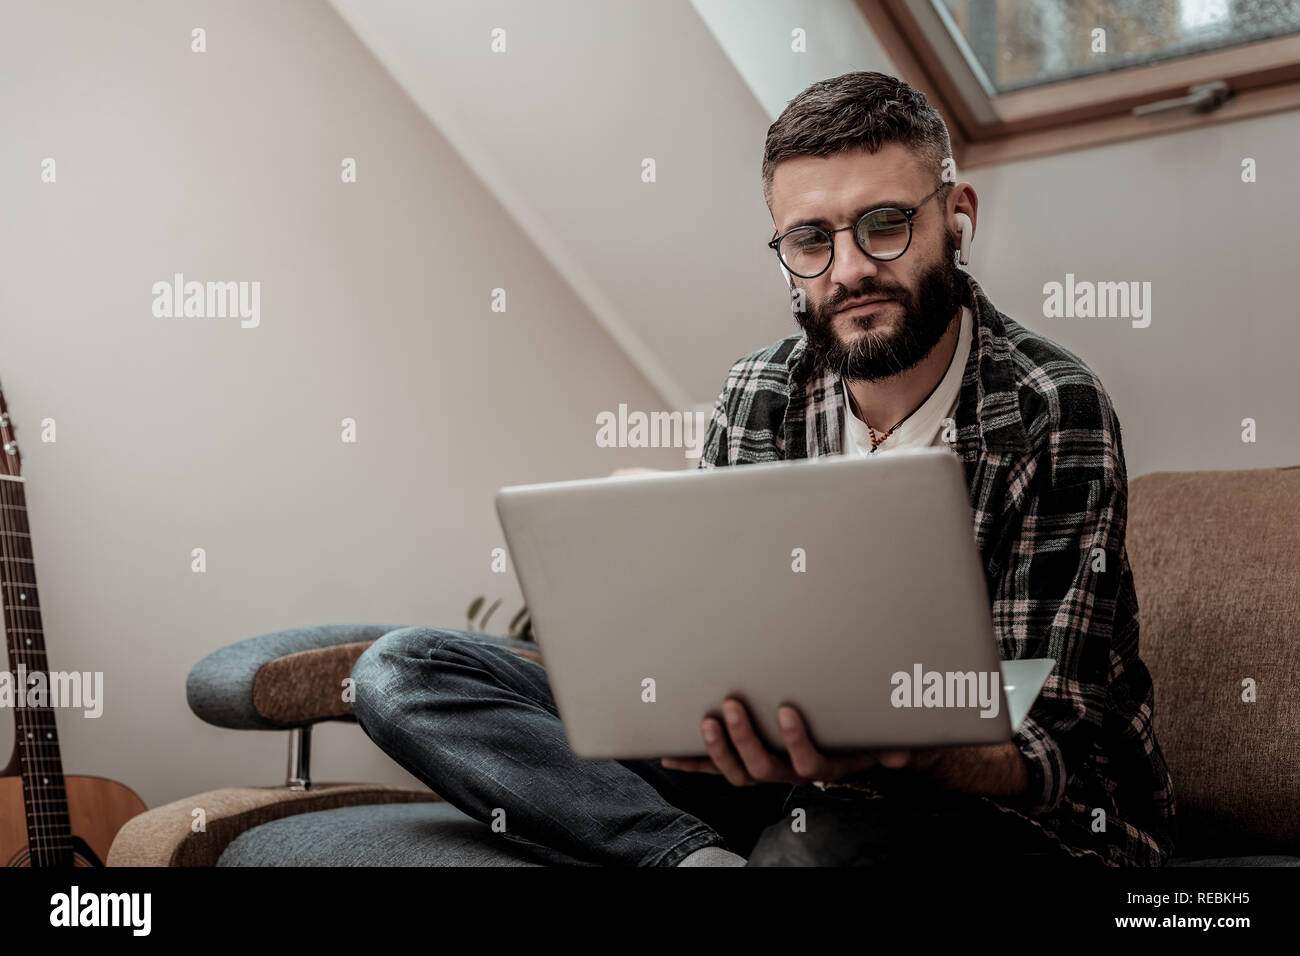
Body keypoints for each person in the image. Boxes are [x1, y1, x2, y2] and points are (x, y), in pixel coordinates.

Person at [352, 71, 1175, 867]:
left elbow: (1049, 746)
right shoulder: (759, 391)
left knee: (813, 844)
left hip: (1009, 817)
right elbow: (716, 640)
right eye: (811, 240)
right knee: (402, 671)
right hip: (776, 779)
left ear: (956, 218)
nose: (848, 269)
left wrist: (900, 749)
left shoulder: (1050, 405)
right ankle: (688, 860)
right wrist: (671, 696)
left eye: (884, 224)